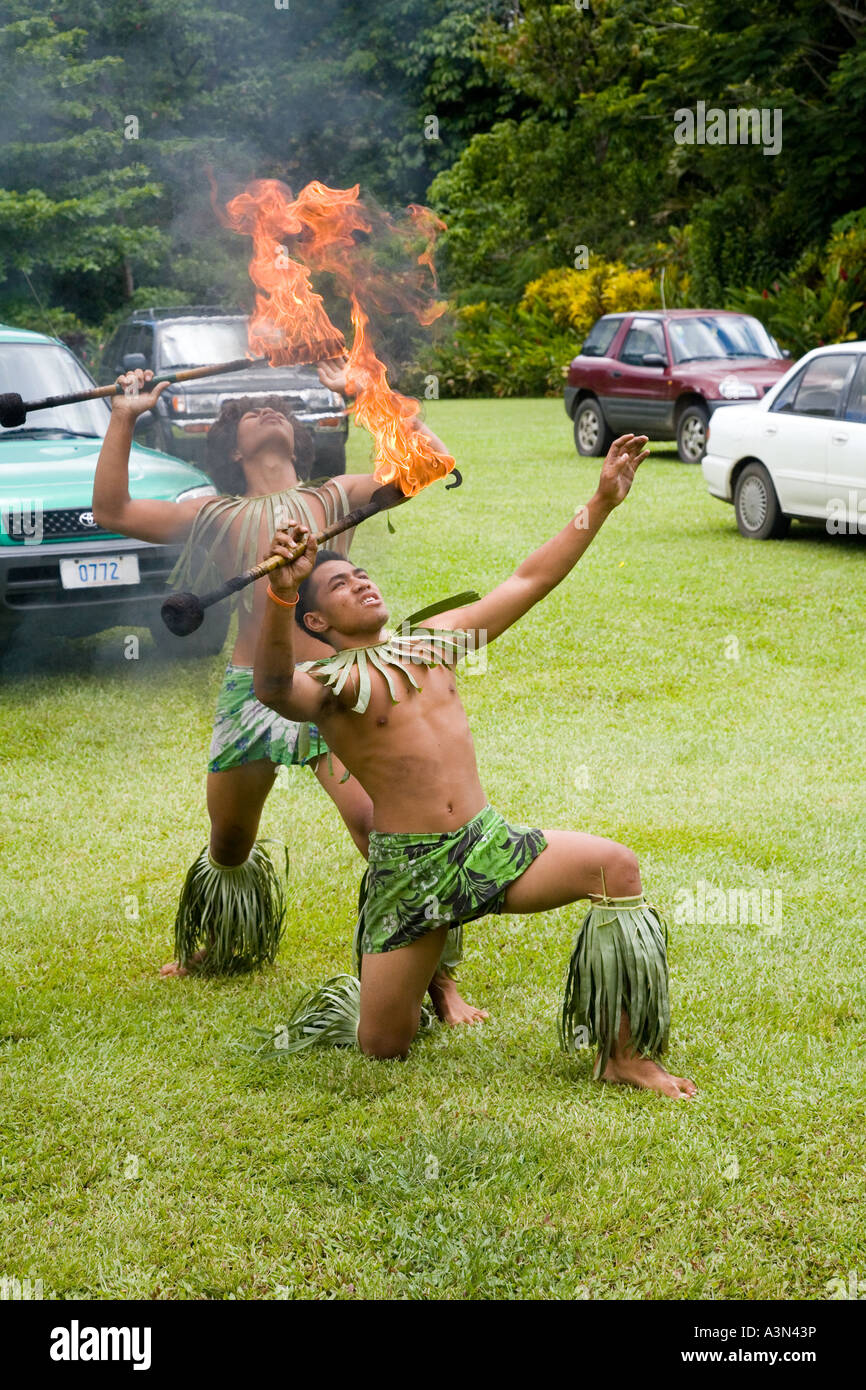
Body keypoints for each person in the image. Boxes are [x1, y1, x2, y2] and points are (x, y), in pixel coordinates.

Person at [252, 432, 696, 1098]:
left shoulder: (434, 643)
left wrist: (600, 502)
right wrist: (279, 597)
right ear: (318, 619)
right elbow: (273, 690)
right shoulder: (330, 683)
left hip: (486, 845)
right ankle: (405, 989)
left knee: (617, 866)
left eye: (362, 574)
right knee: (384, 1047)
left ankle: (623, 1055)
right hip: (410, 871)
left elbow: (530, 578)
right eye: (340, 585)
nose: (361, 583)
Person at [91, 364, 481, 1024]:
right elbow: (112, 511)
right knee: (231, 840)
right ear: (232, 449)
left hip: (331, 692)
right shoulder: (213, 516)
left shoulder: (333, 498)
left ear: (298, 441)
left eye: (278, 411)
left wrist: (367, 390)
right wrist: (125, 415)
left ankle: (437, 979)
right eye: (250, 413)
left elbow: (430, 461)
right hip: (254, 693)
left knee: (378, 827)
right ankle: (218, 939)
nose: (268, 413)